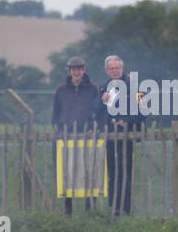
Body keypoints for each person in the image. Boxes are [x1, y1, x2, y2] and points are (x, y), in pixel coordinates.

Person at [51, 56, 100, 215]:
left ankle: (89, 211)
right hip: (67, 136)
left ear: (84, 70)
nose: (77, 72)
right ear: (69, 71)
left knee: (88, 172)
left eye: (79, 69)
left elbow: (98, 112)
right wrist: (57, 129)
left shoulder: (93, 89)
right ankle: (68, 211)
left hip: (87, 135)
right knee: (68, 173)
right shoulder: (61, 90)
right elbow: (55, 113)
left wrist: (93, 127)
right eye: (74, 69)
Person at [95, 54, 141, 215]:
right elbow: (94, 109)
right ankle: (113, 209)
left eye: (117, 68)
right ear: (107, 71)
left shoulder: (134, 86)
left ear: (122, 69)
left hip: (127, 136)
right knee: (113, 173)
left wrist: (127, 121)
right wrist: (102, 99)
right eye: (111, 68)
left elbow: (144, 108)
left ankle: (126, 210)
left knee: (126, 173)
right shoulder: (102, 88)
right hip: (110, 136)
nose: (114, 71)